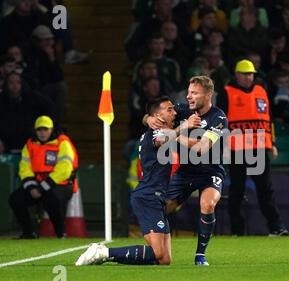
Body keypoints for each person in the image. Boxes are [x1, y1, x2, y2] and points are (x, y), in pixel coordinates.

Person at [76, 96, 197, 266]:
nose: (174, 112)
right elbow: (162, 139)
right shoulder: (156, 133)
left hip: (157, 197)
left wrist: (147, 118)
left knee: (164, 259)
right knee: (158, 253)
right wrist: (185, 126)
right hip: (148, 197)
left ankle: (107, 254)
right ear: (157, 116)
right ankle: (103, 252)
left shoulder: (157, 129)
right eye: (169, 110)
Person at [146, 76, 228, 266]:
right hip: (186, 172)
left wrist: (174, 134)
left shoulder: (219, 118)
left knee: (207, 205)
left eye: (194, 93)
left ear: (208, 95)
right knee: (162, 209)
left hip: (211, 172)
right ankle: (156, 251)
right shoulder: (182, 110)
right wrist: (149, 118)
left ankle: (200, 255)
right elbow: (152, 114)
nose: (189, 96)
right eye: (189, 92)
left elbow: (202, 148)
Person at [218, 59, 289, 236]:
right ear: (236, 75)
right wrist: (224, 147)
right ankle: (237, 230)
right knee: (237, 191)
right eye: (245, 74)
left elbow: (268, 119)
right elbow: (220, 122)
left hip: (258, 148)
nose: (249, 77)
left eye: (251, 74)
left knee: (266, 190)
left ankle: (276, 227)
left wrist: (271, 143)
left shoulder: (261, 92)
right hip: (237, 149)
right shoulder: (227, 93)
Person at [8, 115, 78, 239]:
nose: (42, 133)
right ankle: (28, 233)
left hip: (61, 184)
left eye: (45, 129)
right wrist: (32, 187)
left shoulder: (62, 143)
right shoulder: (30, 145)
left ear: (52, 129)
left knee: (52, 199)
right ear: (35, 131)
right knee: (15, 199)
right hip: (36, 185)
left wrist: (43, 187)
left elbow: (64, 169)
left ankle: (61, 234)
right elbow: (25, 168)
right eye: (39, 130)